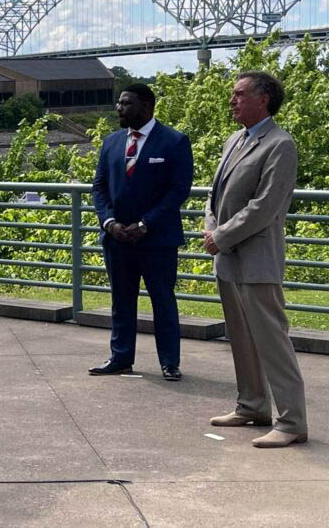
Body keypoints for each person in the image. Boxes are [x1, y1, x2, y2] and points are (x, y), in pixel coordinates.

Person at [204, 71, 307, 448]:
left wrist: (221, 236)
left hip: (257, 258)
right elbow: (215, 195)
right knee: (242, 338)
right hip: (229, 257)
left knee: (271, 340)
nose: (232, 100)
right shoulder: (235, 139)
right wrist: (212, 227)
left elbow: (265, 207)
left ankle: (292, 421)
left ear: (264, 99)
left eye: (239, 94)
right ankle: (251, 405)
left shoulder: (280, 144)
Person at [90, 84, 193, 381]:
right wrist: (109, 222)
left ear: (147, 106)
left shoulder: (174, 141)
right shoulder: (111, 142)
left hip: (157, 239)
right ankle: (121, 357)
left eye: (126, 104)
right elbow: (99, 187)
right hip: (117, 238)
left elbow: (178, 190)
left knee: (162, 300)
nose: (119, 109)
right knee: (121, 300)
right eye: (119, 103)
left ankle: (170, 362)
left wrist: (146, 223)